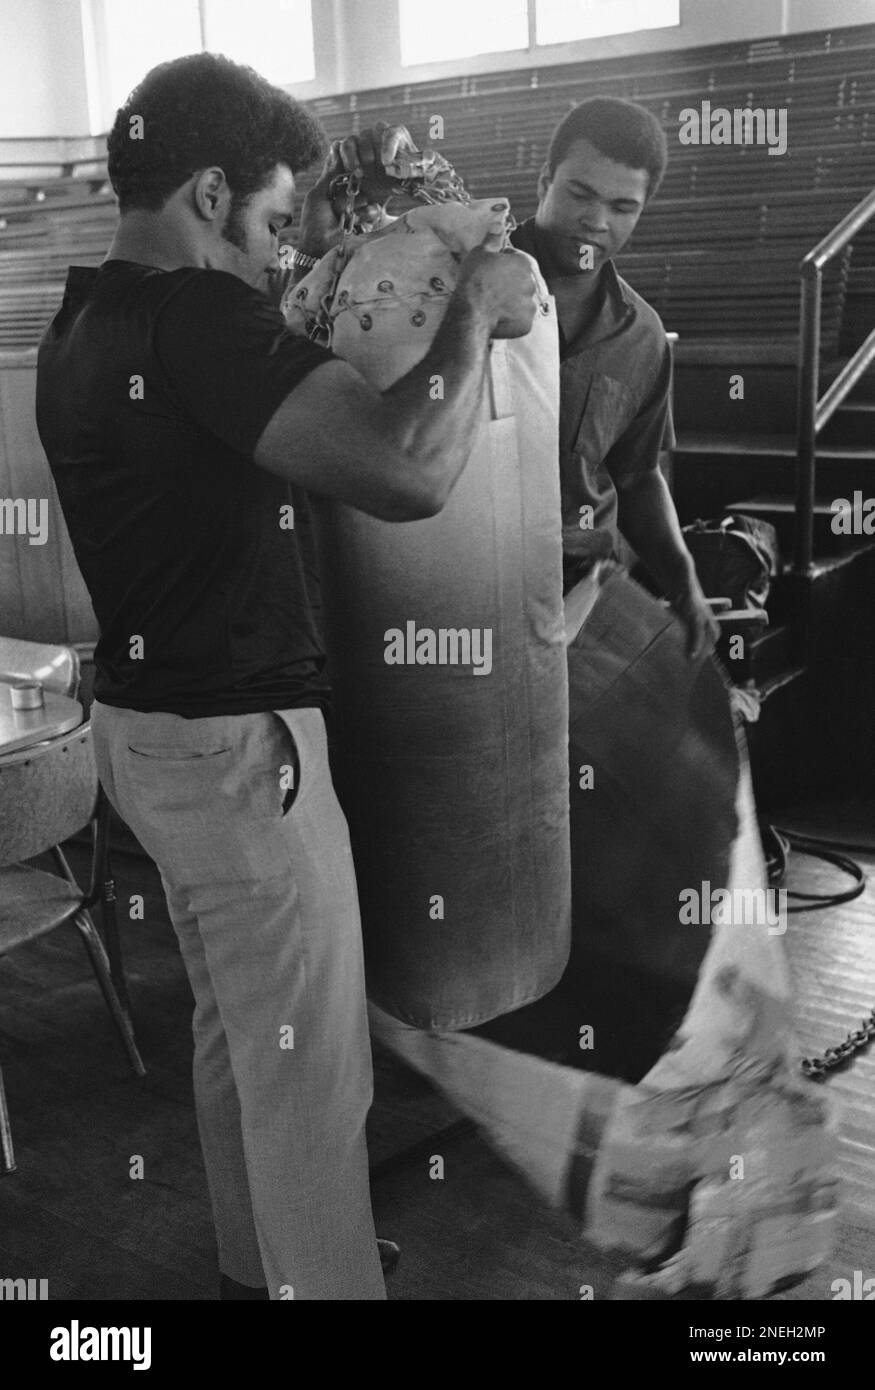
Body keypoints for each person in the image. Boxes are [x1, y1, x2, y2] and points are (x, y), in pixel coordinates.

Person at [293, 105, 837, 1298]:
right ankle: (472, 1048)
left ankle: (619, 1084)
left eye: (622, 206)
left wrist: (684, 581)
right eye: (579, 195)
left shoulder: (640, 336)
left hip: (567, 602)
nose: (595, 223)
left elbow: (638, 470)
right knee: (447, 858)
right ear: (542, 182)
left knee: (652, 816)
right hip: (440, 610)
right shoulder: (462, 288)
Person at [34, 52, 539, 1302]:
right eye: (267, 219)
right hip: (237, 748)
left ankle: (259, 1271)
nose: (273, 253)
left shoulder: (82, 318)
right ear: (209, 193)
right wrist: (471, 306)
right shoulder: (199, 319)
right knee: (312, 1074)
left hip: (142, 740)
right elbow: (410, 472)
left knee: (235, 1038)